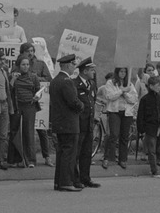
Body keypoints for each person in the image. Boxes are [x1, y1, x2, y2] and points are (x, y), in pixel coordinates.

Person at [49, 54, 84, 191]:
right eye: (73, 65)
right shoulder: (67, 81)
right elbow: (73, 101)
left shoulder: (55, 80)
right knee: (69, 154)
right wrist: (81, 106)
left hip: (59, 121)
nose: (74, 68)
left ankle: (59, 182)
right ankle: (66, 182)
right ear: (68, 65)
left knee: (62, 153)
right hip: (69, 122)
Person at [20, 42, 55, 167]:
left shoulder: (40, 64)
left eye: (32, 51)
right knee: (26, 131)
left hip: (41, 100)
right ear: (22, 53)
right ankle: (26, 158)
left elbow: (49, 79)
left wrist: (35, 78)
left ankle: (46, 157)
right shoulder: (20, 65)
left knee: (42, 130)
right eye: (27, 51)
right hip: (26, 101)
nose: (30, 53)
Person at [101, 67, 139, 170]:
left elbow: (134, 98)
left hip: (126, 113)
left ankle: (123, 159)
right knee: (113, 134)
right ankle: (107, 158)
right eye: (121, 72)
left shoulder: (129, 84)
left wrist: (125, 93)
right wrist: (121, 91)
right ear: (117, 72)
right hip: (114, 111)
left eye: (125, 72)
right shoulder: (110, 83)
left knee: (124, 136)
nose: (123, 74)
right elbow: (109, 96)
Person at [72, 59, 101, 188]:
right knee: (76, 153)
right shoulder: (74, 84)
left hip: (89, 123)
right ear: (84, 71)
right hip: (79, 123)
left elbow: (92, 101)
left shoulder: (92, 84)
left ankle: (86, 178)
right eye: (91, 70)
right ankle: (75, 179)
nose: (93, 72)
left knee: (86, 153)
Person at [9, 55, 40, 168]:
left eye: (27, 64)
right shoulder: (13, 76)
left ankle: (30, 160)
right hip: (17, 106)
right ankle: (14, 159)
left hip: (29, 106)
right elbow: (9, 90)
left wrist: (37, 96)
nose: (25, 67)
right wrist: (13, 79)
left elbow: (38, 90)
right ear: (18, 65)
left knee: (28, 132)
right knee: (14, 131)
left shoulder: (33, 77)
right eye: (23, 64)